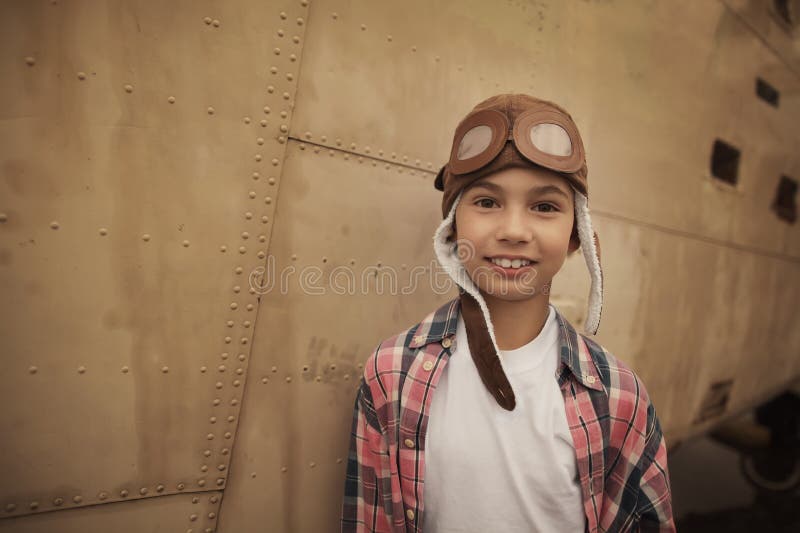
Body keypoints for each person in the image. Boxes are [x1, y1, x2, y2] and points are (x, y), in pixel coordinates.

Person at [340, 94, 675, 532]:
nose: (514, 231)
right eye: (486, 202)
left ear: (577, 236)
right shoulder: (391, 374)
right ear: (453, 226)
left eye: (545, 207)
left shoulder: (620, 398)